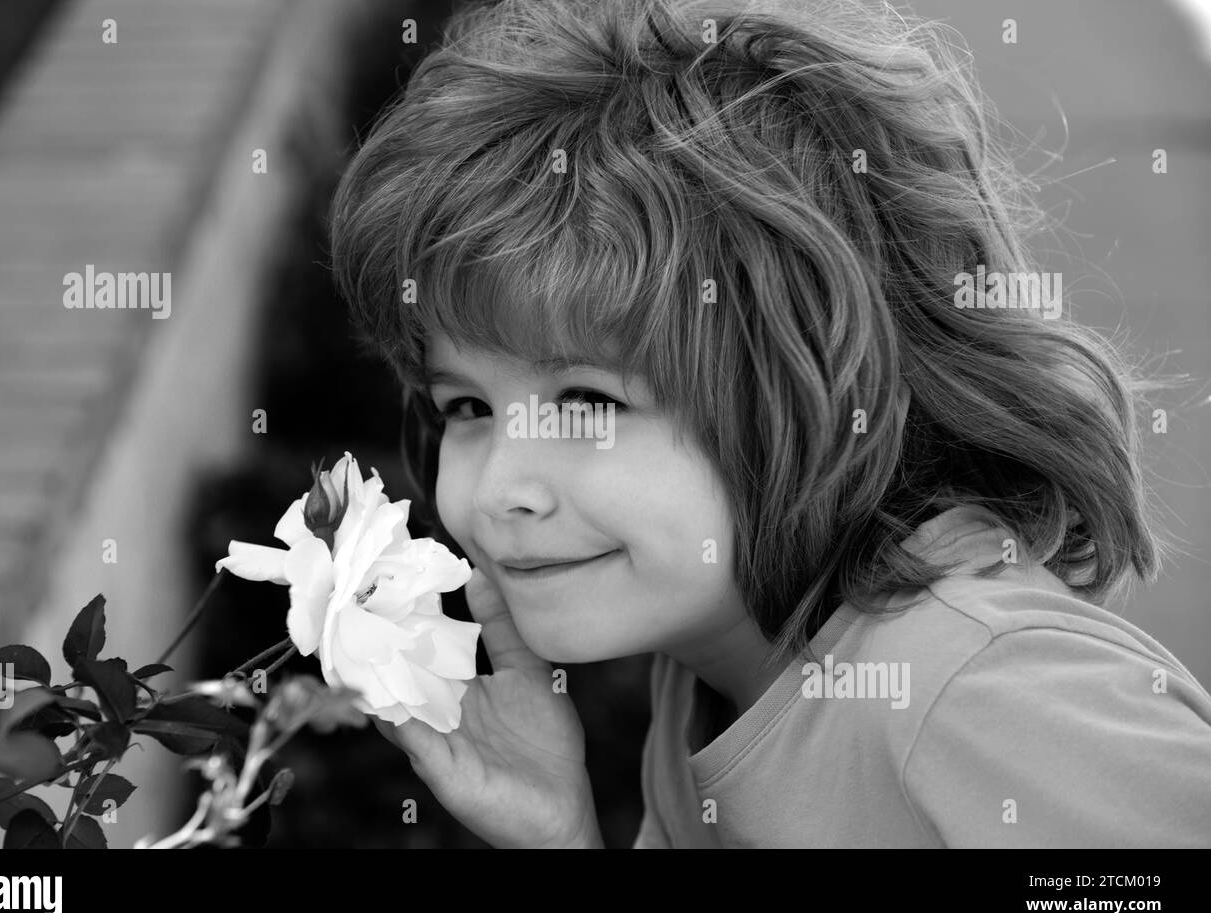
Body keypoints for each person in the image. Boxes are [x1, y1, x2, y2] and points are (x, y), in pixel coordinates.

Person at [327, 0, 1211, 847]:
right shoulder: (711, 676)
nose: (500, 490)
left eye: (590, 404)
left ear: (810, 386)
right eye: (468, 408)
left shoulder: (978, 687)